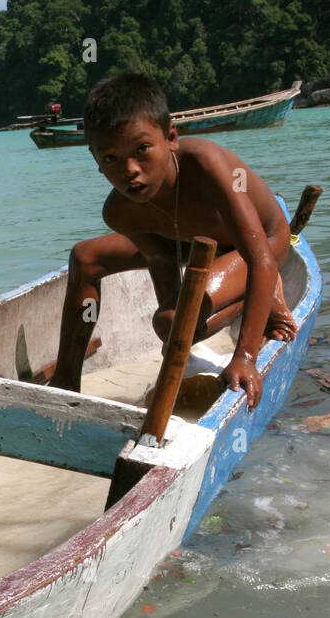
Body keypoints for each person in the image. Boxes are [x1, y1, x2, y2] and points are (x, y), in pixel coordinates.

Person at [49, 72, 296, 409]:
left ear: (171, 137)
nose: (130, 170)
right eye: (111, 159)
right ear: (95, 161)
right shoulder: (120, 213)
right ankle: (65, 380)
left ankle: (269, 293)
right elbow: (162, 260)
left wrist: (246, 357)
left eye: (142, 149)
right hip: (192, 244)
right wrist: (175, 340)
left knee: (170, 320)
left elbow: (261, 257)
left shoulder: (206, 166)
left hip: (259, 246)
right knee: (86, 257)